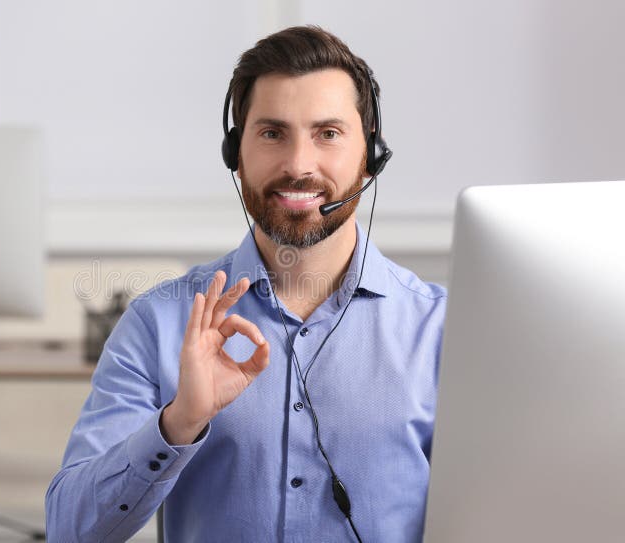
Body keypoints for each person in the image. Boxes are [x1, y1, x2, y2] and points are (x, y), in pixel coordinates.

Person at [46, 26, 446, 543]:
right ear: (235, 154)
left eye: (327, 133)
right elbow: (69, 529)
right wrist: (177, 424)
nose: (298, 165)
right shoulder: (158, 322)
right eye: (272, 133)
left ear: (371, 154)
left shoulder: (441, 332)